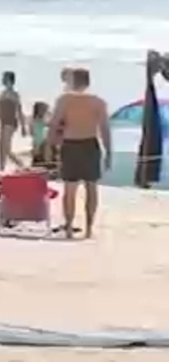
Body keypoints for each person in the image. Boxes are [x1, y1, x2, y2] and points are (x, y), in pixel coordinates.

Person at [48, 66, 110, 238]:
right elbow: (105, 129)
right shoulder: (98, 101)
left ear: (73, 81)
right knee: (91, 188)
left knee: (70, 189)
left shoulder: (64, 99)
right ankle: (89, 228)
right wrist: (109, 151)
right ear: (88, 82)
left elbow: (54, 123)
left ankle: (68, 227)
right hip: (90, 144)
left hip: (70, 144)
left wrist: (49, 144)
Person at [0, 71, 26, 171]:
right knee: (1, 148)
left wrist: (23, 127)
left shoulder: (14, 94)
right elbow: (0, 110)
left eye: (4, 78)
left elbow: (19, 111)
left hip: (10, 123)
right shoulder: (2, 94)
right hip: (3, 122)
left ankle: (22, 165)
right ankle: (1, 170)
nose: (2, 80)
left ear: (9, 80)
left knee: (6, 149)